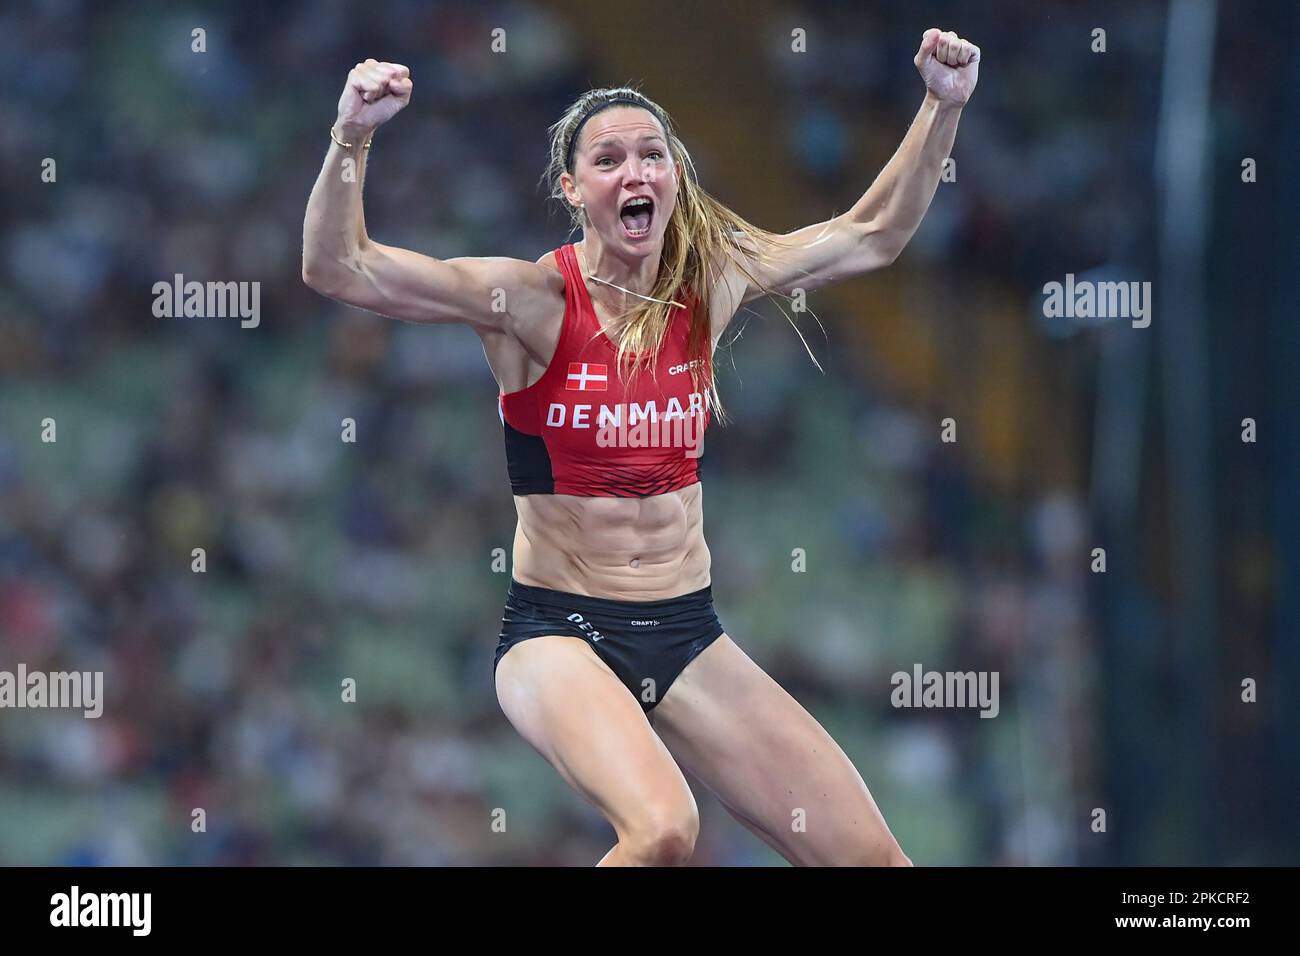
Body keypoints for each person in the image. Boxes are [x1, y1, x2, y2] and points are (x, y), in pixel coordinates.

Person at [303, 27, 980, 866]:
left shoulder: (714, 279)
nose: (635, 172)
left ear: (674, 178)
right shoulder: (530, 300)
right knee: (663, 830)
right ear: (572, 188)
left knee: (874, 861)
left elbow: (871, 233)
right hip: (558, 633)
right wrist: (352, 133)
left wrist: (940, 108)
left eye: (652, 155)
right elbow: (341, 267)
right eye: (609, 159)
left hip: (686, 631)